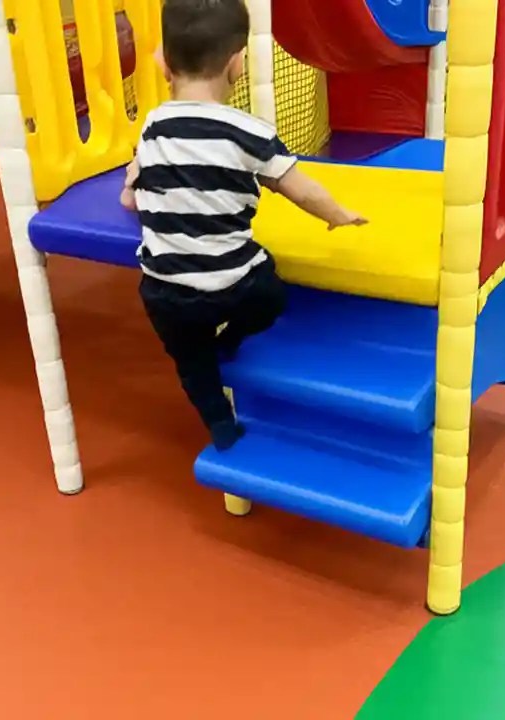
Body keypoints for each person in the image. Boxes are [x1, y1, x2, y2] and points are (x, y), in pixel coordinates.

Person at [120, 0, 366, 451]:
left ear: (166, 64)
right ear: (237, 63)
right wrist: (338, 214)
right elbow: (300, 190)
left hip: (164, 291)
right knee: (271, 294)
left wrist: (135, 193)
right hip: (232, 284)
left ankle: (220, 424)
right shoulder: (248, 132)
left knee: (191, 363)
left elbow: (132, 193)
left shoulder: (153, 125)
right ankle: (231, 338)